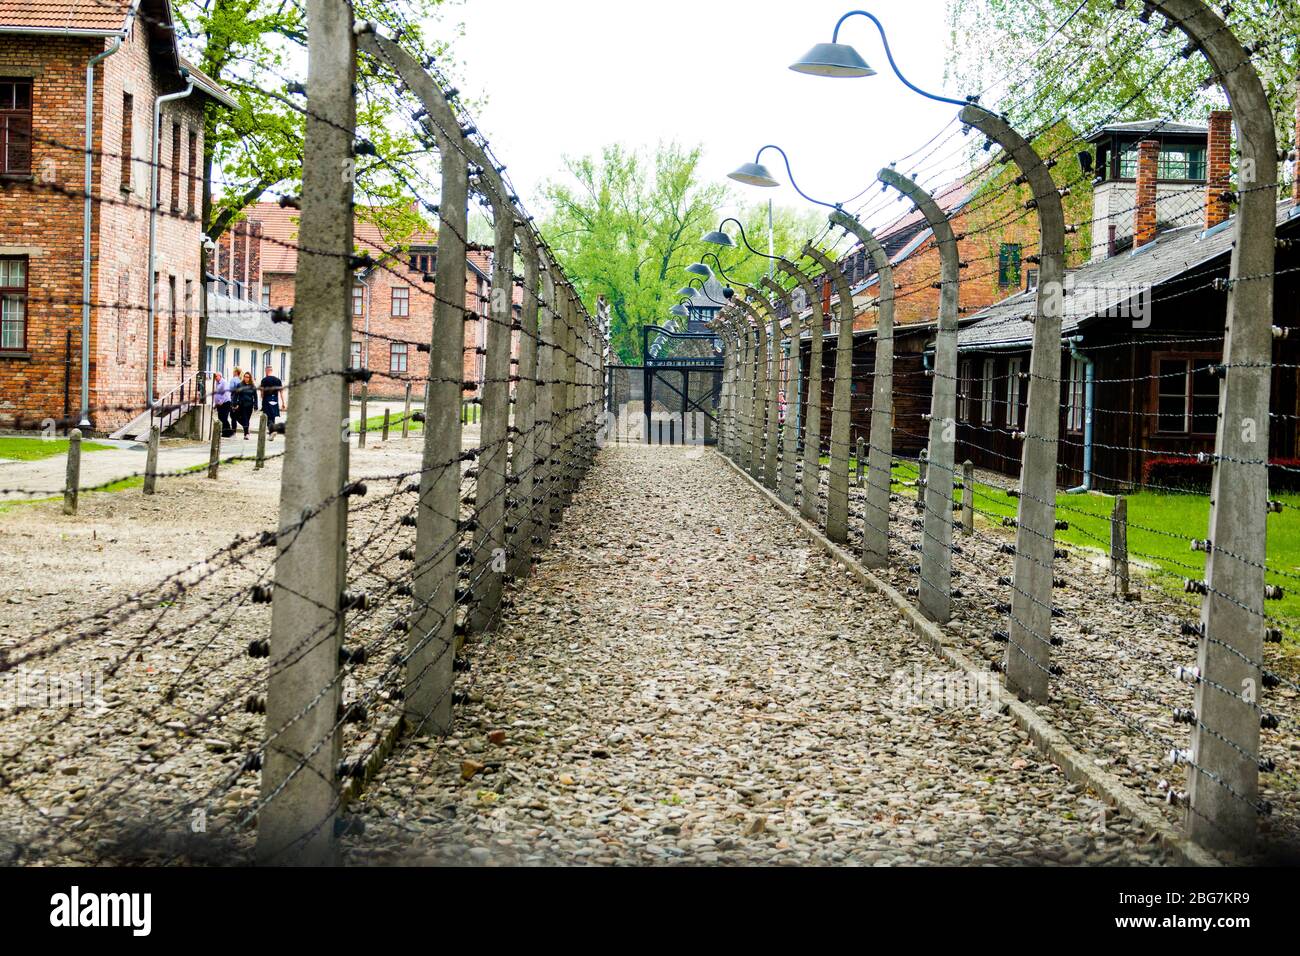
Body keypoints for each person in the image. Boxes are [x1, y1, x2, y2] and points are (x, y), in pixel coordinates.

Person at [231, 370, 259, 439]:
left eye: (248, 377)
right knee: (242, 418)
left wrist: (256, 406)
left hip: (249, 406)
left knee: (246, 419)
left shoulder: (252, 386)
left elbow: (255, 397)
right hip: (241, 405)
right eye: (245, 377)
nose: (246, 378)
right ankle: (246, 432)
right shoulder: (240, 385)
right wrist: (234, 404)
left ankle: (246, 434)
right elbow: (235, 395)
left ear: (250, 378)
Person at [259, 365, 284, 440]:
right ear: (271, 370)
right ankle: (271, 434)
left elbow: (262, 392)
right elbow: (281, 392)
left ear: (266, 371)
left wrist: (262, 398)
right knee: (272, 417)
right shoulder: (278, 380)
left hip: (267, 399)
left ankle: (272, 431)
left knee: (268, 417)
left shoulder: (264, 380)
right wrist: (283, 403)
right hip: (275, 399)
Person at [212, 371, 233, 437]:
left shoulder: (224, 382)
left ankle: (229, 432)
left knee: (224, 417)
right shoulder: (217, 383)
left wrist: (221, 401)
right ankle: (225, 432)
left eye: (216, 376)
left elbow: (226, 393)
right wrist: (216, 403)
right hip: (219, 404)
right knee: (220, 418)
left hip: (225, 403)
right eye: (215, 376)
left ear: (220, 376)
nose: (215, 378)